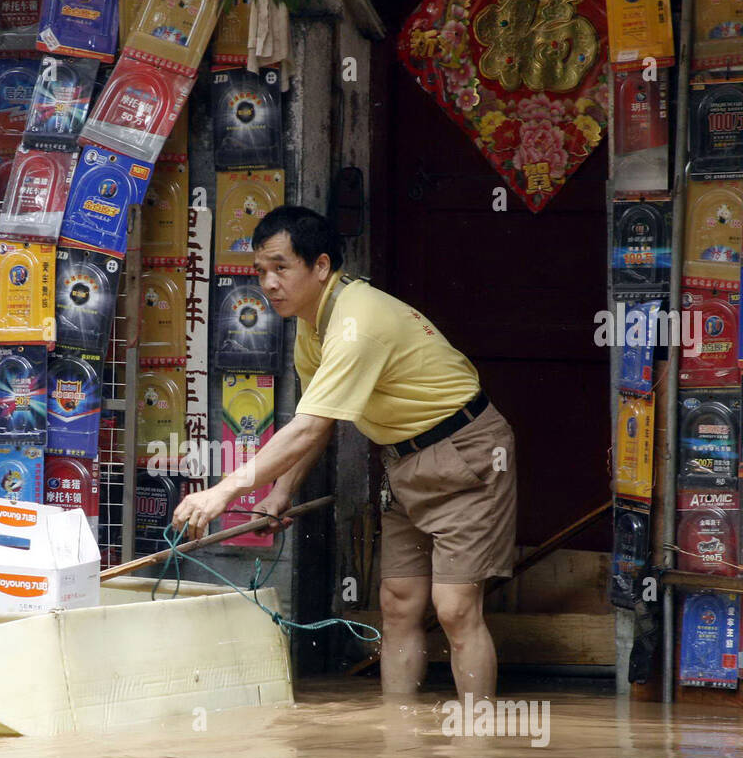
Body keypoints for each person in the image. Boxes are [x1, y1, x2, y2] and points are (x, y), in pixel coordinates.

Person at [171, 206, 517, 699]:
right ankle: (398, 742)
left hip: (467, 451)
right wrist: (280, 494)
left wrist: (224, 491)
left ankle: (476, 753)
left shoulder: (358, 322)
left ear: (321, 266)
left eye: (281, 266)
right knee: (398, 603)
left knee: (456, 606)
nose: (268, 284)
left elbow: (309, 427)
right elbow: (320, 419)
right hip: (402, 460)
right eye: (260, 271)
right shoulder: (312, 328)